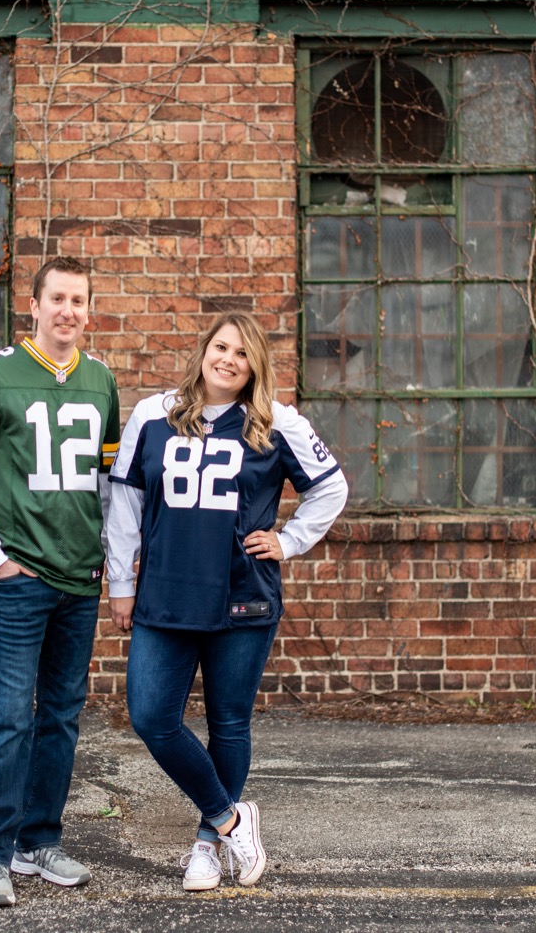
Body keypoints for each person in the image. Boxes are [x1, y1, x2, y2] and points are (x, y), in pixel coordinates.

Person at [105, 312, 348, 892]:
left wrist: (289, 540)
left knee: (229, 723)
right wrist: (120, 584)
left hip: (243, 597)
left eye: (243, 353)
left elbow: (331, 487)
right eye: (221, 347)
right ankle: (232, 819)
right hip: (165, 595)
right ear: (204, 351)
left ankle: (207, 847)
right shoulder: (153, 415)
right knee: (152, 716)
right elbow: (124, 503)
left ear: (255, 365)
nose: (229, 360)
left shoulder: (275, 422)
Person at [0, 256, 121, 908]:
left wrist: (111, 564)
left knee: (62, 719)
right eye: (58, 299)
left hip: (78, 579)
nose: (68, 311)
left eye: (79, 300)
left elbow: (108, 484)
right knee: (9, 718)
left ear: (88, 309)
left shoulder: (101, 381)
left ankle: (39, 840)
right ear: (35, 305)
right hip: (19, 576)